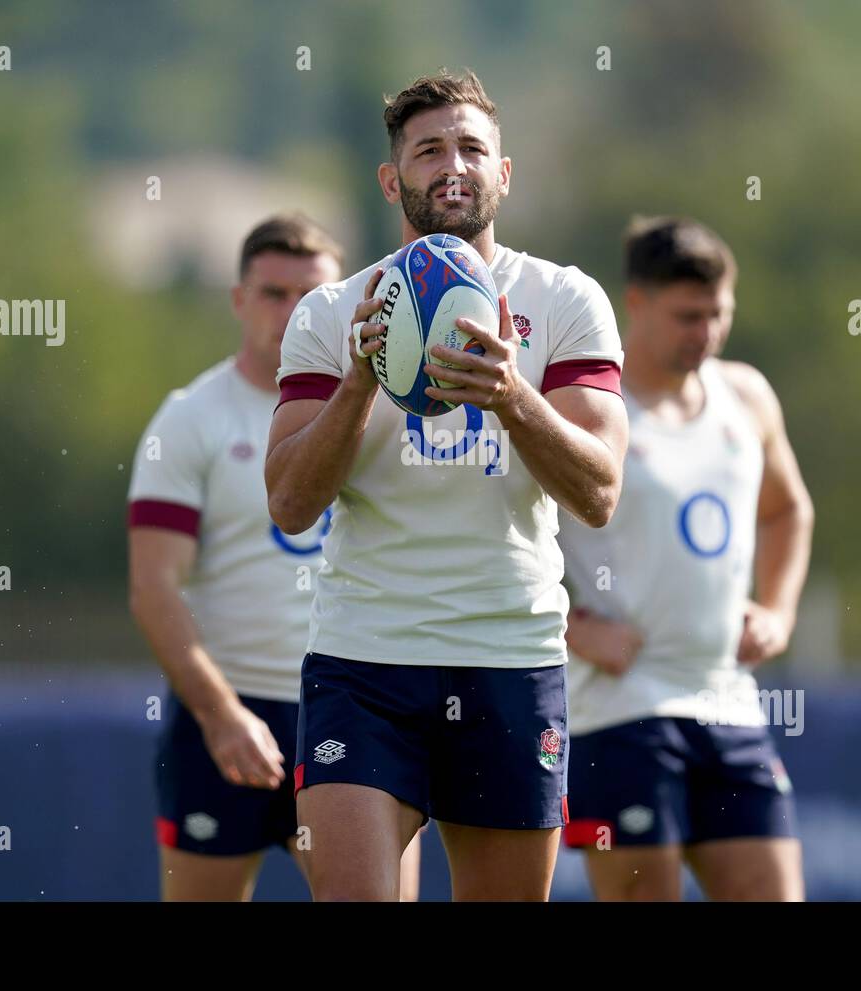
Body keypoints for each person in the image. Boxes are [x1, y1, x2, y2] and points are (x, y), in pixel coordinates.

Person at [266, 69, 629, 901]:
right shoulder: (329, 312)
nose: (452, 165)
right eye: (429, 150)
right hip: (364, 660)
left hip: (507, 653)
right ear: (394, 180)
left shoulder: (566, 300)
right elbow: (288, 502)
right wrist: (361, 378)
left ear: (504, 174)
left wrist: (512, 397)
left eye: (472, 148)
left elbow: (600, 492)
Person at [127, 214, 421, 900]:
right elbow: (154, 589)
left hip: (358, 705)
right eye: (272, 292)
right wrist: (220, 714)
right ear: (238, 300)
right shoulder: (190, 417)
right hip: (226, 711)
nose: (292, 312)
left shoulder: (387, 408)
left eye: (309, 294)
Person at [558, 216, 814, 901]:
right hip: (616, 713)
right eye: (687, 315)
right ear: (635, 302)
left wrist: (780, 611)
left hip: (729, 703)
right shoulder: (587, 410)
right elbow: (501, 544)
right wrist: (572, 630)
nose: (705, 332)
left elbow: (788, 509)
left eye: (718, 313)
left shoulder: (747, 396)